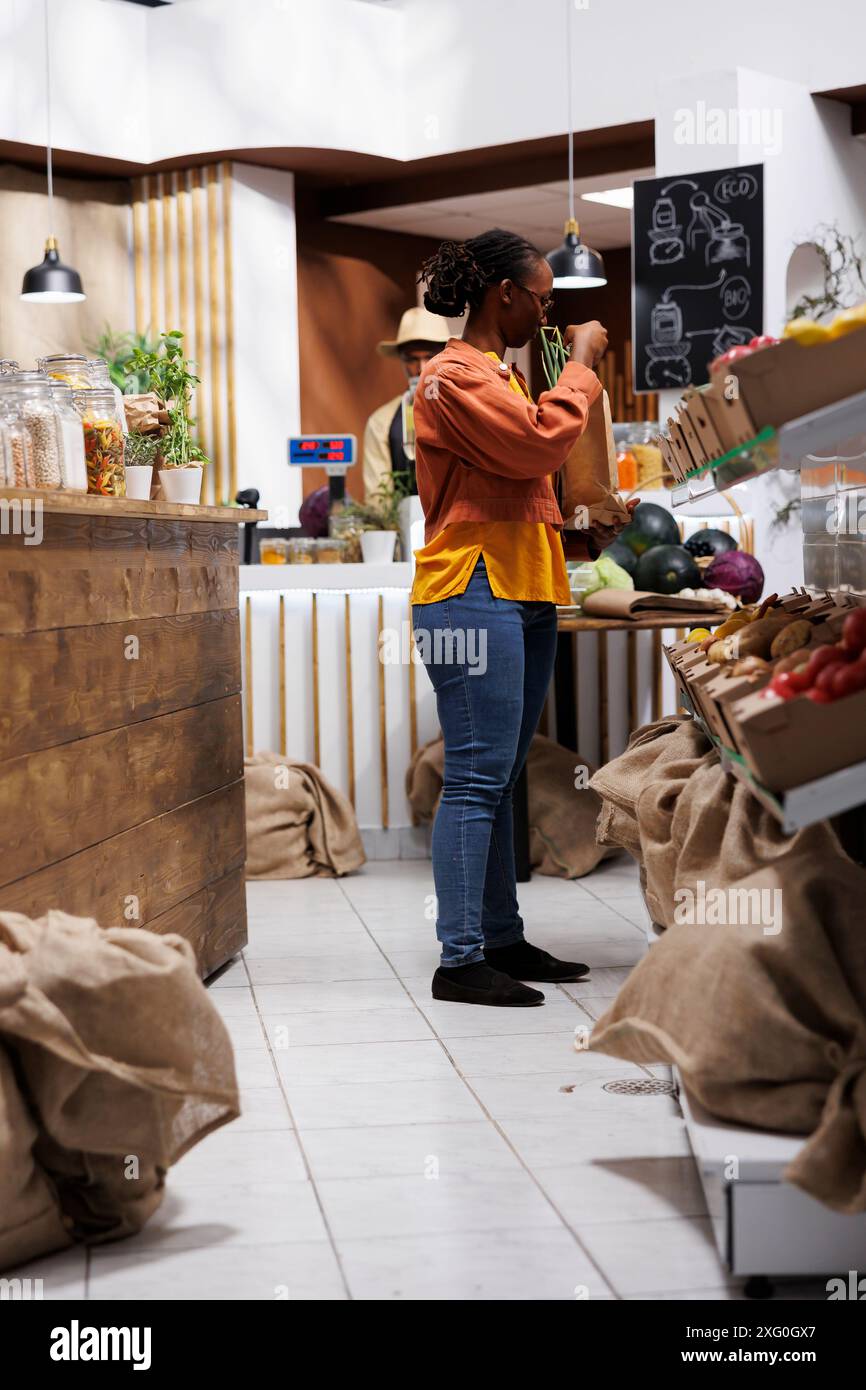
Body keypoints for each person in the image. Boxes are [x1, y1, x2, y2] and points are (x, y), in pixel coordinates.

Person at [411, 229, 637, 1008]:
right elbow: (538, 446)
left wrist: (578, 535)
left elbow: (513, 490)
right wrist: (580, 366)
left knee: (501, 775)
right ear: (503, 295)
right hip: (470, 591)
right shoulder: (451, 378)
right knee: (475, 776)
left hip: (523, 584)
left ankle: (501, 939)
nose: (547, 314)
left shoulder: (500, 378)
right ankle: (460, 959)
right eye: (541, 299)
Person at [363, 306, 450, 500]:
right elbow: (378, 499)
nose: (421, 368)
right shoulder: (382, 422)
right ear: (401, 360)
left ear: (446, 355)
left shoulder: (470, 406)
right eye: (411, 359)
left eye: (429, 356)